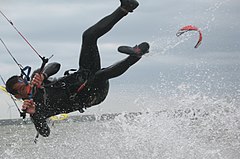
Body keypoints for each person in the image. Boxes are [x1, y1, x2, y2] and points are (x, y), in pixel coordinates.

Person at [5, 0, 150, 137]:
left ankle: (125, 8)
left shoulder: (38, 80)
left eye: (25, 83)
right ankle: (135, 56)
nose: (28, 87)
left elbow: (55, 65)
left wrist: (43, 75)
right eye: (23, 89)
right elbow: (45, 132)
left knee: (88, 36)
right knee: (100, 75)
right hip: (90, 95)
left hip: (83, 74)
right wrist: (35, 113)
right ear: (17, 96)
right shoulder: (37, 108)